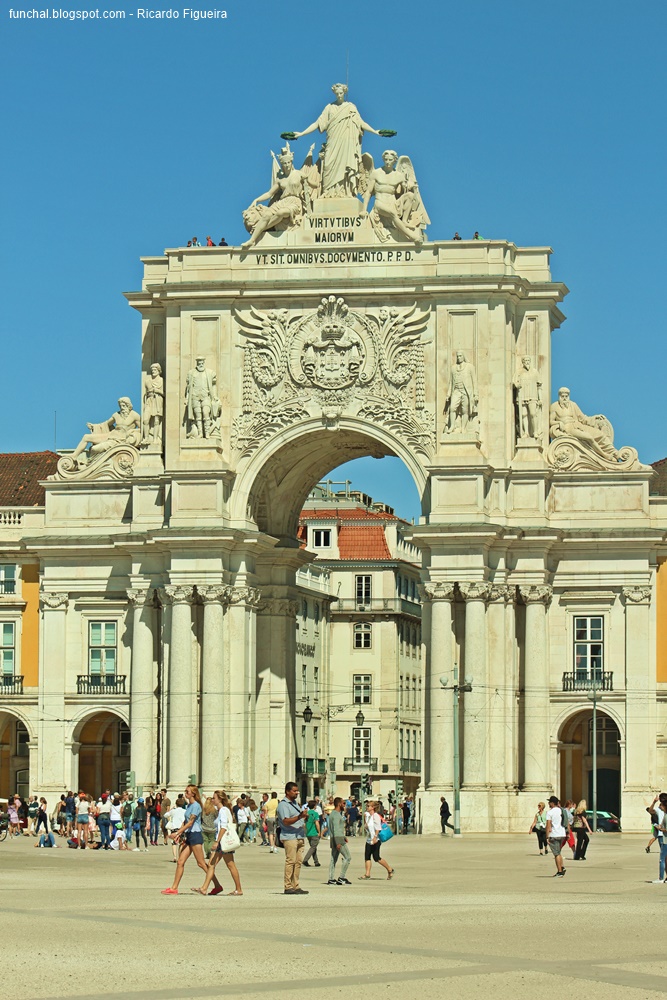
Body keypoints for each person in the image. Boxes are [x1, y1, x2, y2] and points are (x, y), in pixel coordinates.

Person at [290, 82, 381, 197]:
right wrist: (302, 133)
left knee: (346, 165)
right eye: (337, 93)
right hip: (333, 141)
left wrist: (375, 131)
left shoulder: (350, 107)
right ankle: (328, 192)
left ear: (344, 92)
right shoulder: (329, 107)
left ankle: (346, 192)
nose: (339, 95)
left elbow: (361, 123)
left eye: (341, 93)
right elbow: (318, 123)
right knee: (328, 165)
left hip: (347, 142)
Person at [162, 785, 221, 896]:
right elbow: (185, 821)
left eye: (187, 791)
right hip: (189, 835)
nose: (186, 793)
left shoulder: (196, 806)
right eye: (185, 791)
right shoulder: (189, 805)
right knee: (180, 862)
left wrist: (177, 833)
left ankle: (217, 885)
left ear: (193, 793)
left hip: (195, 835)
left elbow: (191, 822)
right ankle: (174, 888)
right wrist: (181, 833)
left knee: (201, 863)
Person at [549, 387, 618, 463]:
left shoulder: (573, 405)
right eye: (562, 396)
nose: (564, 398)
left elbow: (583, 418)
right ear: (559, 397)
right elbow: (551, 421)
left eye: (566, 396)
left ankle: (614, 452)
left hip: (578, 425)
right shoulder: (554, 406)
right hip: (568, 428)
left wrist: (595, 417)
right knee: (589, 437)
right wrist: (559, 423)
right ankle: (605, 456)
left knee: (599, 434)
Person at [196, 791, 242, 896]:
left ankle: (238, 889)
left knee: (229, 865)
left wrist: (217, 841)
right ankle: (204, 888)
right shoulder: (223, 810)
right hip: (223, 842)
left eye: (214, 798)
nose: (212, 800)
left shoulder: (223, 810)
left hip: (222, 842)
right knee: (212, 864)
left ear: (219, 799)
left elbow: (224, 827)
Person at [276, 781, 309, 895]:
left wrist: (304, 817)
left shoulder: (295, 803)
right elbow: (285, 821)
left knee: (298, 861)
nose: (297, 793)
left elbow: (297, 818)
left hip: (299, 835)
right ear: (287, 791)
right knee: (291, 861)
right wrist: (300, 816)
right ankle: (288, 886)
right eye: (294, 791)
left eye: (297, 791)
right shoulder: (283, 805)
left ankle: (296, 885)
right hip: (289, 836)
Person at [359, 801, 394, 880]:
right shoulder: (368, 816)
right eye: (367, 806)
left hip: (376, 839)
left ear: (373, 808)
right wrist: (365, 819)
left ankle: (390, 869)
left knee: (376, 858)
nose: (367, 807)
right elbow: (366, 827)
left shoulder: (376, 816)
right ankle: (367, 874)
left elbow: (378, 828)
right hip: (369, 840)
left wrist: (375, 837)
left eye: (368, 806)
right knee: (367, 856)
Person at [445, 350, 478, 433]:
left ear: (464, 356)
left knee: (465, 411)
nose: (459, 358)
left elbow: (474, 381)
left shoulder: (470, 367)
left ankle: (463, 428)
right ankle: (452, 426)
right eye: (458, 356)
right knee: (452, 408)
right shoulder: (453, 368)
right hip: (456, 391)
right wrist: (448, 394)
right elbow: (451, 383)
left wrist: (475, 394)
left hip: (466, 392)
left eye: (460, 356)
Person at [327, 797, 352, 886]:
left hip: (335, 838)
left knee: (333, 859)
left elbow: (334, 828)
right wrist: (338, 842)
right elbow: (337, 829)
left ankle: (331, 878)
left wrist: (343, 836)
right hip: (338, 839)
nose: (345, 805)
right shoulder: (337, 815)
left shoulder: (332, 814)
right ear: (339, 804)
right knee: (348, 857)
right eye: (343, 804)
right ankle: (341, 877)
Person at [545, 795, 569, 877]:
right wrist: (567, 833)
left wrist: (547, 836)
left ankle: (559, 871)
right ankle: (562, 867)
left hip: (554, 834)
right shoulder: (561, 810)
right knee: (558, 852)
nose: (548, 804)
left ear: (552, 803)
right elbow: (566, 821)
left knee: (556, 854)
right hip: (562, 833)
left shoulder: (549, 812)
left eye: (549, 802)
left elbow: (548, 825)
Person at [142, 363, 164, 446]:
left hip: (158, 400)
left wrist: (157, 391)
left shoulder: (161, 380)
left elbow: (164, 393)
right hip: (149, 400)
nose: (153, 371)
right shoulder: (147, 381)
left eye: (155, 370)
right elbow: (145, 395)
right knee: (145, 420)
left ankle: (155, 439)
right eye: (152, 370)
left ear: (158, 371)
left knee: (156, 421)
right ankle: (146, 438)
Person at [647, 793, 667, 883]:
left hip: (663, 836)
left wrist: (662, 829)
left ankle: (661, 878)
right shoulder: (659, 810)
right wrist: (653, 802)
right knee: (665, 858)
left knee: (662, 858)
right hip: (661, 835)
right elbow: (651, 811)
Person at [165, 795, 186, 863]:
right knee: (181, 843)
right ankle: (180, 856)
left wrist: (171, 809)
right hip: (182, 828)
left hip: (174, 828)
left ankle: (174, 857)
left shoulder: (173, 811)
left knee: (174, 843)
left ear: (176, 804)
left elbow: (165, 815)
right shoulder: (184, 811)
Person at [302, 800, 321, 867]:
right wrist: (319, 832)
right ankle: (305, 860)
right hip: (314, 832)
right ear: (314, 806)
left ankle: (316, 862)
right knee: (313, 847)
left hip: (308, 833)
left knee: (313, 848)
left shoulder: (307, 813)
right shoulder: (315, 813)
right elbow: (317, 823)